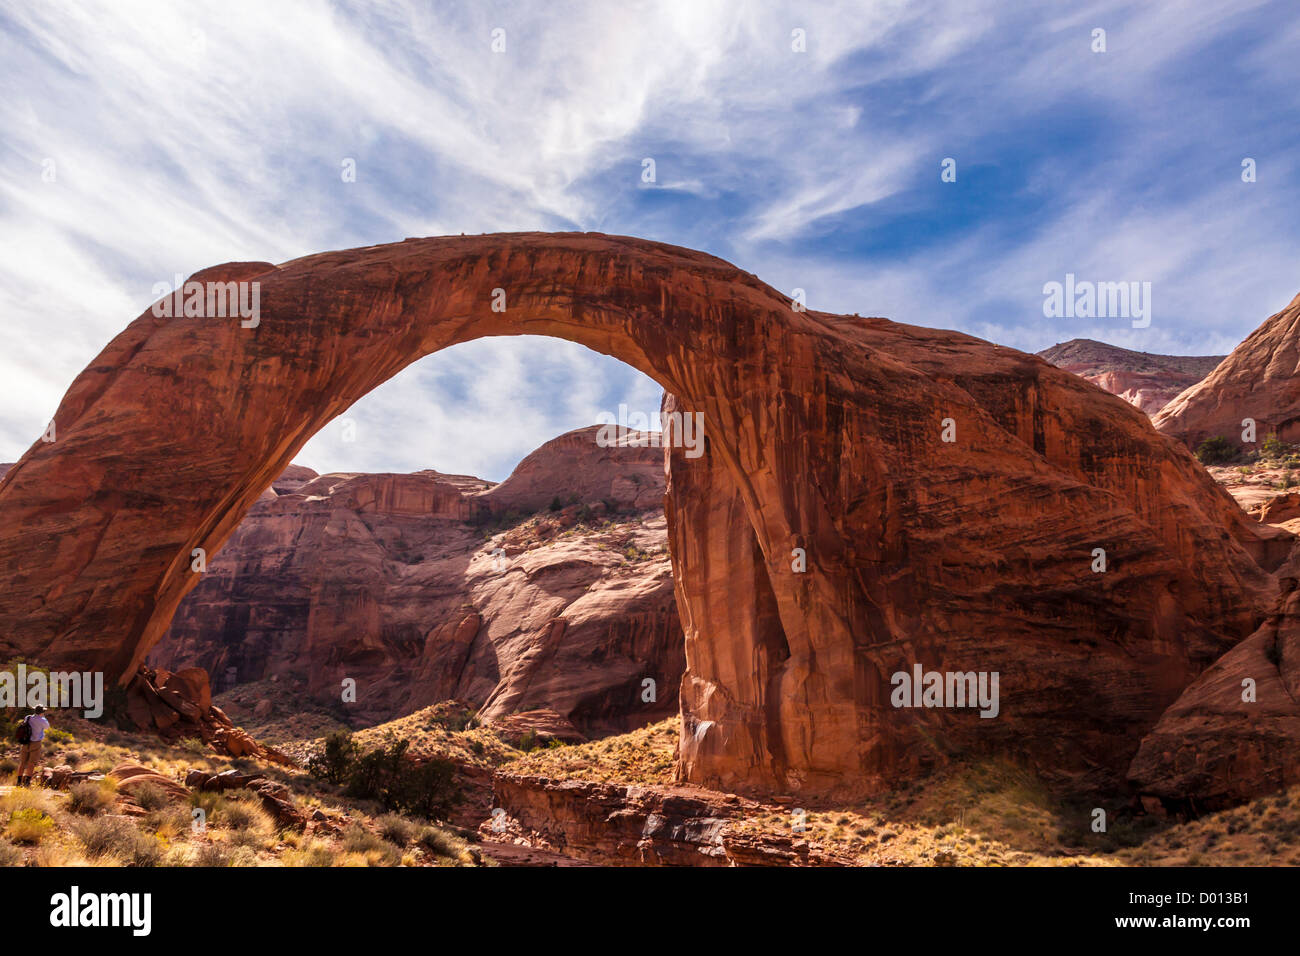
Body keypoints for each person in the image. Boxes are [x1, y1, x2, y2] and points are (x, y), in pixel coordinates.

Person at [15, 706, 49, 787]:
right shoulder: (42, 720)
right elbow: (47, 727)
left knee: (22, 763)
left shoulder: (28, 717)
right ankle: (27, 782)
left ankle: (19, 782)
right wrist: (43, 718)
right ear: (41, 712)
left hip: (25, 742)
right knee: (31, 763)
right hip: (36, 743)